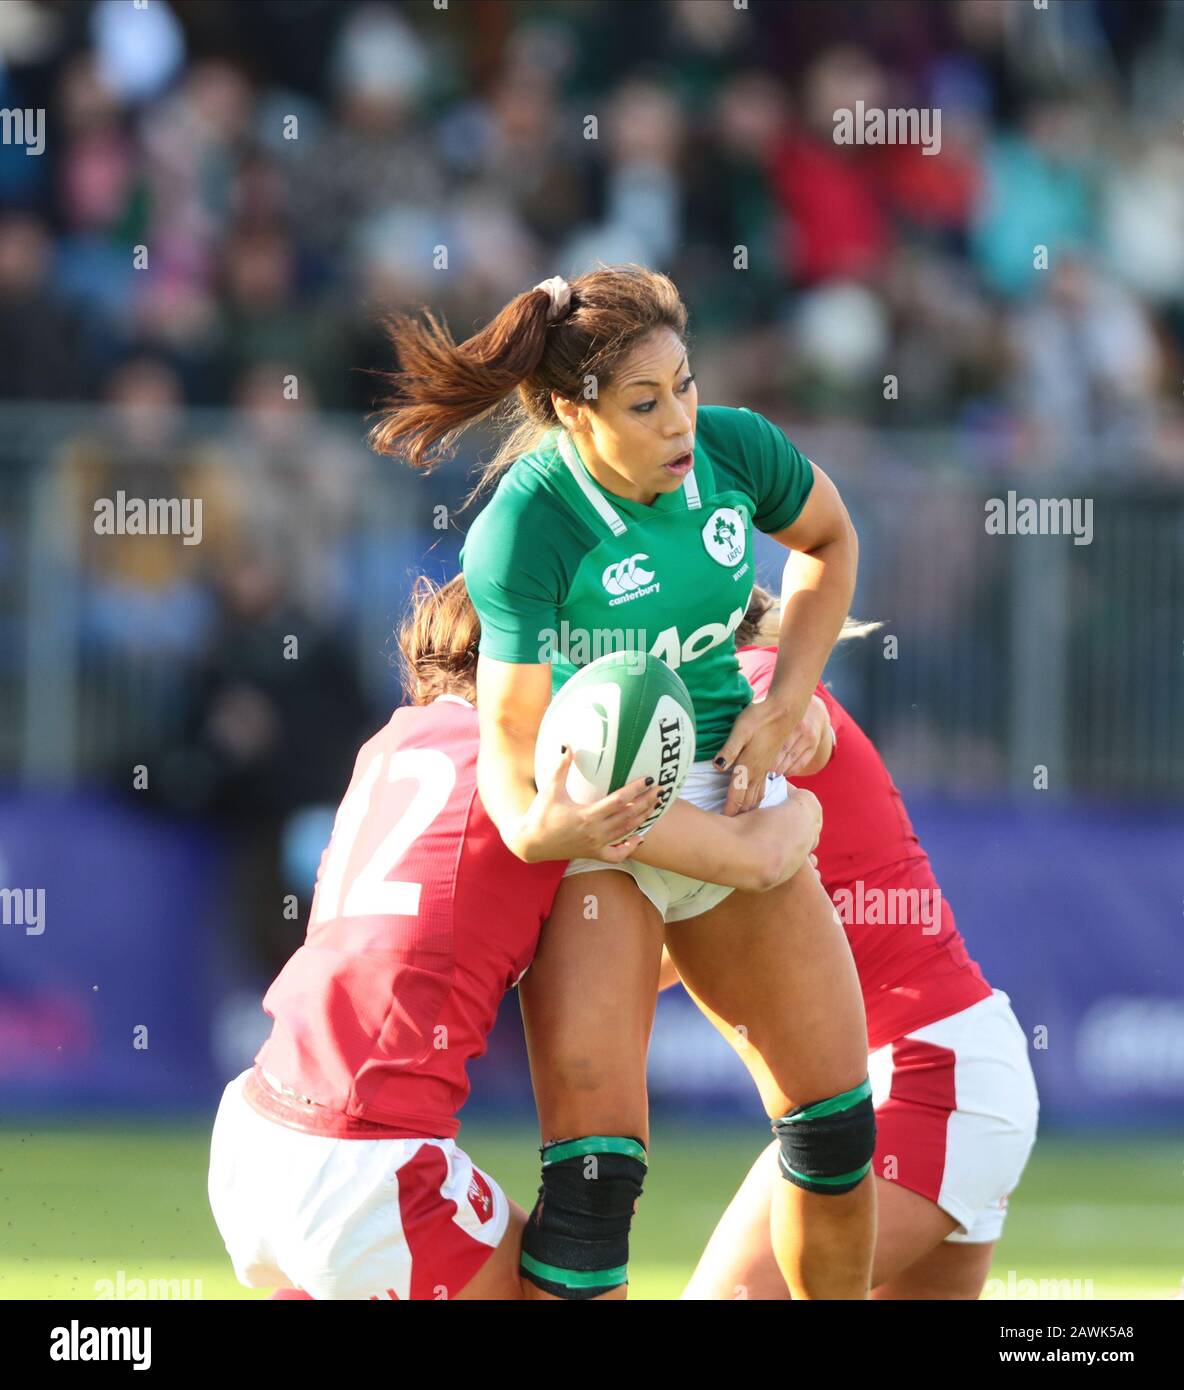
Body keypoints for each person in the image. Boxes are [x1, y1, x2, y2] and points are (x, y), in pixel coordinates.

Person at [369, 264, 874, 1300]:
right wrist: (549, 825)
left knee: (835, 1136)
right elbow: (514, 768)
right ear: (570, 410)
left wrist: (786, 700)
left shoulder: (734, 452)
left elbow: (828, 540)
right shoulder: (526, 524)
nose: (680, 418)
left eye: (684, 384)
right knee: (594, 1186)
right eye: (645, 403)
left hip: (731, 799)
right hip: (606, 846)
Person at [207, 575, 821, 1300]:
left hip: (256, 1128)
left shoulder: (390, 741)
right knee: (570, 1283)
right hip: (364, 1160)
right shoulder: (547, 773)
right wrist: (803, 800)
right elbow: (759, 858)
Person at [674, 586, 1039, 1300]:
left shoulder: (744, 685)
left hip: (922, 1074)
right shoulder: (742, 688)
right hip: (944, 1068)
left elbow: (794, 714)